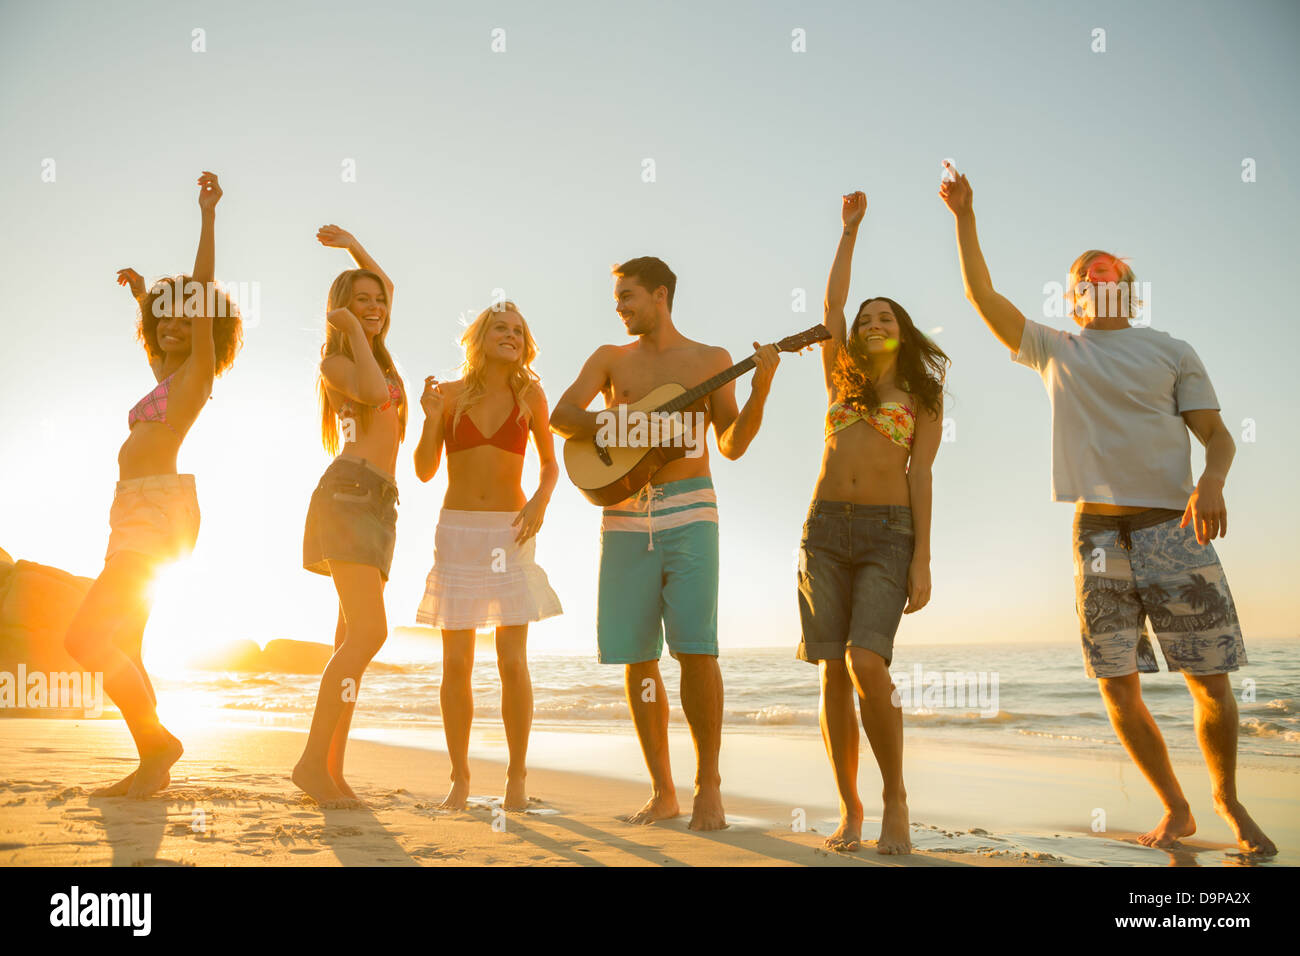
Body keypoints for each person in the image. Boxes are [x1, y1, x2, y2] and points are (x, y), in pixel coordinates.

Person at [938, 166, 1275, 856]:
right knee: (1116, 683)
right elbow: (981, 295)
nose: (1099, 280)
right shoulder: (1056, 349)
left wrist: (1212, 482)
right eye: (1085, 276)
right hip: (1095, 531)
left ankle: (1227, 799)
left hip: (1173, 527)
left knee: (1208, 679)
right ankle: (1176, 807)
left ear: (1128, 286)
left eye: (1110, 271)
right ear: (1073, 296)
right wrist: (965, 218)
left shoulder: (1171, 350)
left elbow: (1215, 435)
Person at [551, 256, 780, 830]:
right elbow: (562, 415)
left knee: (697, 648)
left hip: (692, 510)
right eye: (617, 301)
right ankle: (663, 791)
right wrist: (630, 426)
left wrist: (763, 386)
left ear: (660, 295)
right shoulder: (610, 358)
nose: (621, 308)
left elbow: (731, 443)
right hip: (624, 513)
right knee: (638, 656)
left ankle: (709, 786)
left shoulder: (711, 360)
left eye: (627, 296)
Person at [64, 171, 242, 798]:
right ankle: (150, 763)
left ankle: (158, 743)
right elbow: (158, 326)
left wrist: (208, 217)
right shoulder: (162, 380)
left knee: (84, 638)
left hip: (156, 512)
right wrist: (141, 293)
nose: (171, 323)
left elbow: (199, 294)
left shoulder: (196, 373)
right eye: (159, 320)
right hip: (130, 513)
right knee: (129, 645)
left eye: (181, 318)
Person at [801, 191, 947, 853]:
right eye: (866, 317)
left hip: (890, 533)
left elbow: (921, 475)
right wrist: (848, 232)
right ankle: (850, 810)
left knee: (867, 660)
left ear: (902, 329)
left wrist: (921, 559)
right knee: (833, 668)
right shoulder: (841, 377)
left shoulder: (920, 396)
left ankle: (895, 798)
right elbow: (829, 307)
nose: (870, 322)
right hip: (825, 530)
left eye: (884, 316)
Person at [412, 301, 563, 812]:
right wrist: (431, 420)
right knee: (456, 663)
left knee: (511, 661)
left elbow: (549, 465)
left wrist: (541, 499)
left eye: (519, 330)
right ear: (479, 337)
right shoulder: (450, 395)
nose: (511, 335)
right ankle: (459, 780)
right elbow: (424, 470)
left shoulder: (531, 395)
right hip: (457, 532)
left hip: (511, 531)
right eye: (501, 327)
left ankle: (516, 779)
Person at [293, 225, 406, 806]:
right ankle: (312, 764)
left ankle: (331, 772)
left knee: (350, 640)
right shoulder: (336, 364)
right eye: (361, 300)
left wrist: (356, 244)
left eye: (379, 301)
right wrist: (353, 330)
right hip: (349, 495)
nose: (376, 307)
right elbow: (372, 395)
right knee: (369, 632)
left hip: (380, 502)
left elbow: (387, 282)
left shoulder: (376, 357)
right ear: (340, 310)